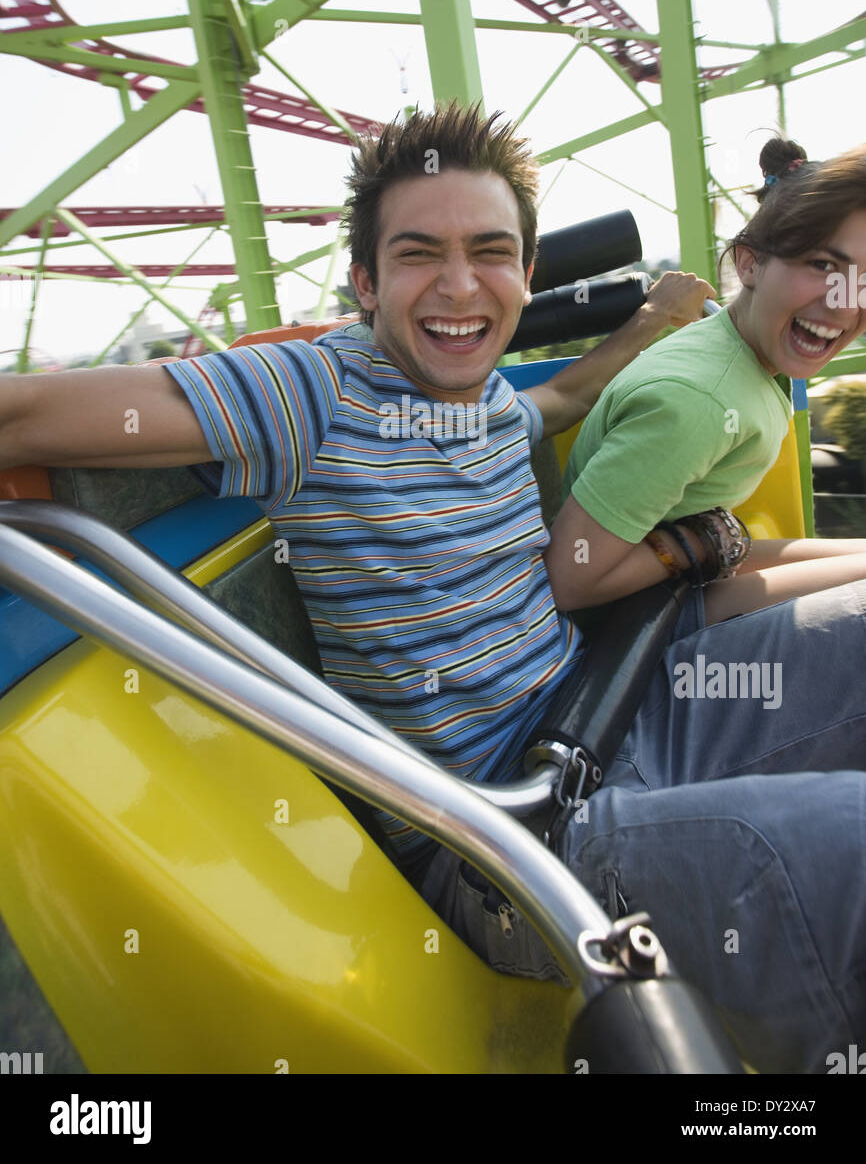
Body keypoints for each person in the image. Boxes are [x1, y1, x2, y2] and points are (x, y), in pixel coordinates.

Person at [0, 103, 864, 1074]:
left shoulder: (484, 391)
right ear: (365, 283)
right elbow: (23, 417)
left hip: (608, 701)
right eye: (418, 255)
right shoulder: (307, 389)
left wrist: (640, 327)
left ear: (525, 274)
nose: (459, 286)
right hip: (512, 841)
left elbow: (559, 400)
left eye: (489, 251)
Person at [545, 137, 866, 625]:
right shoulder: (700, 401)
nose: (844, 303)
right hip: (627, 633)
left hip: (670, 584)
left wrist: (715, 538)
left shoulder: (743, 359)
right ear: (749, 263)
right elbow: (570, 579)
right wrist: (704, 539)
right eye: (822, 265)